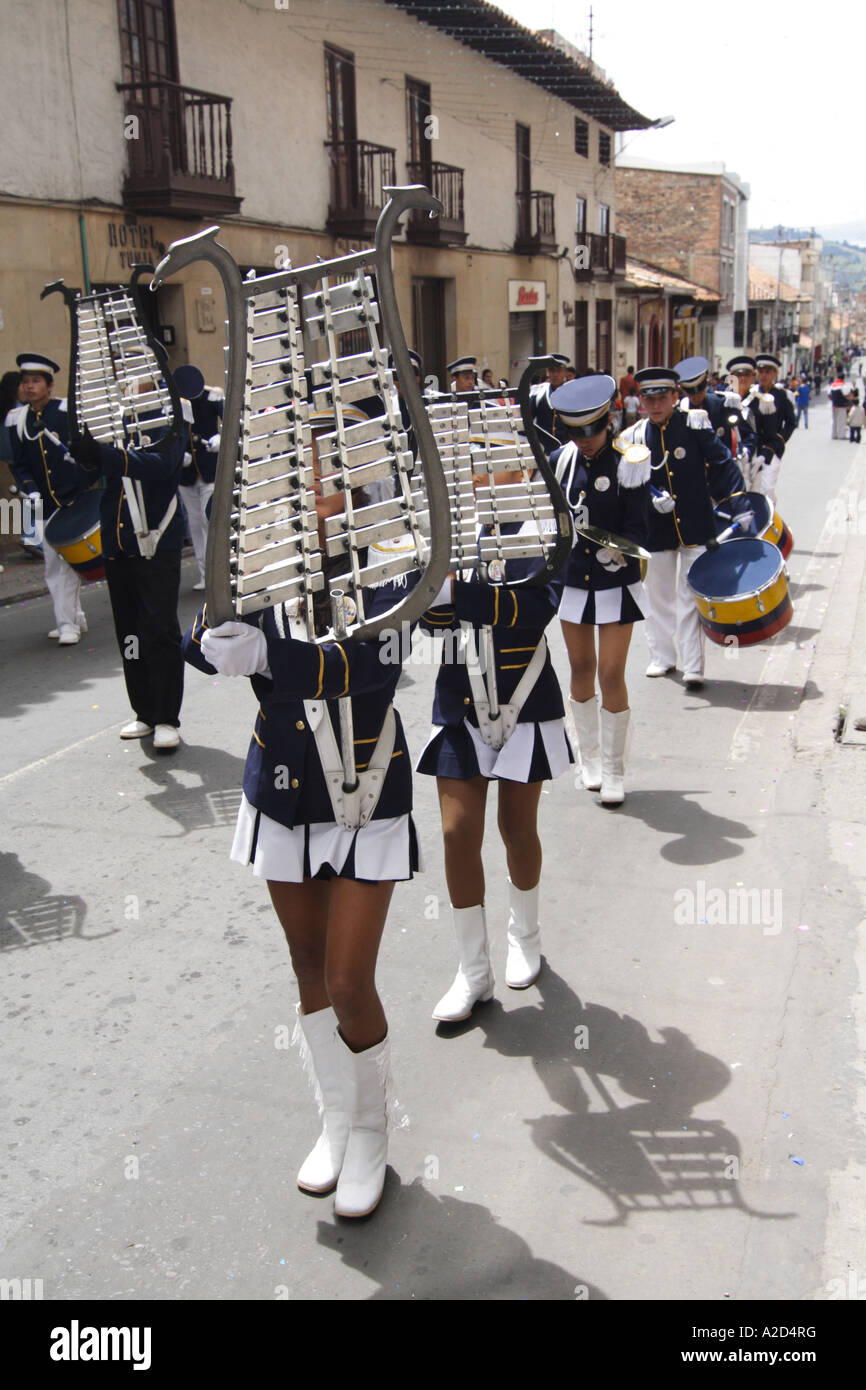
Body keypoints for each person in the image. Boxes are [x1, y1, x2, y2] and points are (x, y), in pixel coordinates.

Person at [181, 404, 420, 1218]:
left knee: (351, 977)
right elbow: (206, 645)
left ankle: (374, 1131)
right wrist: (221, 628)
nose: (320, 479)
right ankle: (335, 1119)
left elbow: (371, 666)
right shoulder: (262, 555)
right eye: (304, 463)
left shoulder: (396, 553)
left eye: (336, 460)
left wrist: (269, 652)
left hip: (366, 781)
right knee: (306, 960)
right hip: (283, 783)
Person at [418, 468, 572, 1022]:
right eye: (470, 463)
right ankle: (472, 969)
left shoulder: (544, 529)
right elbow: (430, 626)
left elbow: (537, 609)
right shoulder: (444, 531)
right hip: (459, 694)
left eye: (497, 459)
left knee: (516, 828)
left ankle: (524, 936)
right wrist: (432, 593)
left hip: (525, 694)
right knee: (458, 833)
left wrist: (462, 594)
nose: (483, 475)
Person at [68, 380, 188, 750]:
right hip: (119, 543)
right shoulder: (110, 419)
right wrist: (82, 454)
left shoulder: (172, 412)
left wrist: (104, 456)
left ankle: (168, 717)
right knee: (130, 634)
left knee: (160, 630)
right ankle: (145, 712)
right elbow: (89, 478)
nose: (130, 383)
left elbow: (162, 464)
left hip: (156, 539)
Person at [548, 374, 650, 804]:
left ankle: (613, 769)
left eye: (592, 430)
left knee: (611, 671)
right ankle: (589, 759)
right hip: (574, 579)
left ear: (608, 421)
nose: (585, 440)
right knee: (580, 666)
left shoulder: (630, 459)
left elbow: (640, 528)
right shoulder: (560, 460)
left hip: (614, 580)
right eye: (576, 432)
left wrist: (620, 550)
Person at [620, 366, 744, 690]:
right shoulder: (634, 436)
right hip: (656, 531)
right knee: (658, 597)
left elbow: (722, 463)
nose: (656, 406)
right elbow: (628, 483)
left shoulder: (694, 424)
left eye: (662, 398)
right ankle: (662, 656)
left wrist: (736, 503)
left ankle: (693, 665)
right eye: (649, 400)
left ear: (676, 397)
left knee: (690, 596)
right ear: (642, 401)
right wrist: (649, 496)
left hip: (696, 524)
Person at [8, 353, 89, 644]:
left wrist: (77, 461)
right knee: (56, 563)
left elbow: (86, 448)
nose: (30, 387)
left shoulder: (65, 412)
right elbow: (19, 463)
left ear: (49, 386)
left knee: (66, 562)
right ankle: (73, 618)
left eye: (36, 382)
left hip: (73, 498)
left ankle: (68, 622)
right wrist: (28, 487)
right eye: (26, 382)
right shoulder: (18, 420)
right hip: (44, 503)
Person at [173, 364, 223, 592]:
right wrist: (175, 451)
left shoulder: (211, 397)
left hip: (209, 470)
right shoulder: (173, 403)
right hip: (187, 474)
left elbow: (234, 420)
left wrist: (220, 439)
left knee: (209, 520)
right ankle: (205, 573)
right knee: (195, 524)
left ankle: (218, 572)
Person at [675, 355, 756, 463]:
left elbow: (747, 434)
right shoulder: (680, 411)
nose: (696, 396)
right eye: (691, 392)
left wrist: (746, 450)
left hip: (722, 469)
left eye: (700, 390)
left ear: (706, 383)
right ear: (683, 390)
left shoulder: (724, 404)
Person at [529, 353, 571, 454]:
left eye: (559, 371)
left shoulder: (572, 392)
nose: (555, 374)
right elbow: (528, 419)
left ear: (565, 372)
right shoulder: (538, 392)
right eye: (552, 370)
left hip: (566, 449)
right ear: (547, 372)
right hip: (543, 450)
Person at [829, 373, 850, 439]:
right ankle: (841, 435)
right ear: (843, 378)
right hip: (841, 406)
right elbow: (847, 395)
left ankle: (834, 435)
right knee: (842, 421)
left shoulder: (832, 385)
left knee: (834, 421)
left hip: (834, 406)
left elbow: (829, 395)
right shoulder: (843, 385)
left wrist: (833, 400)